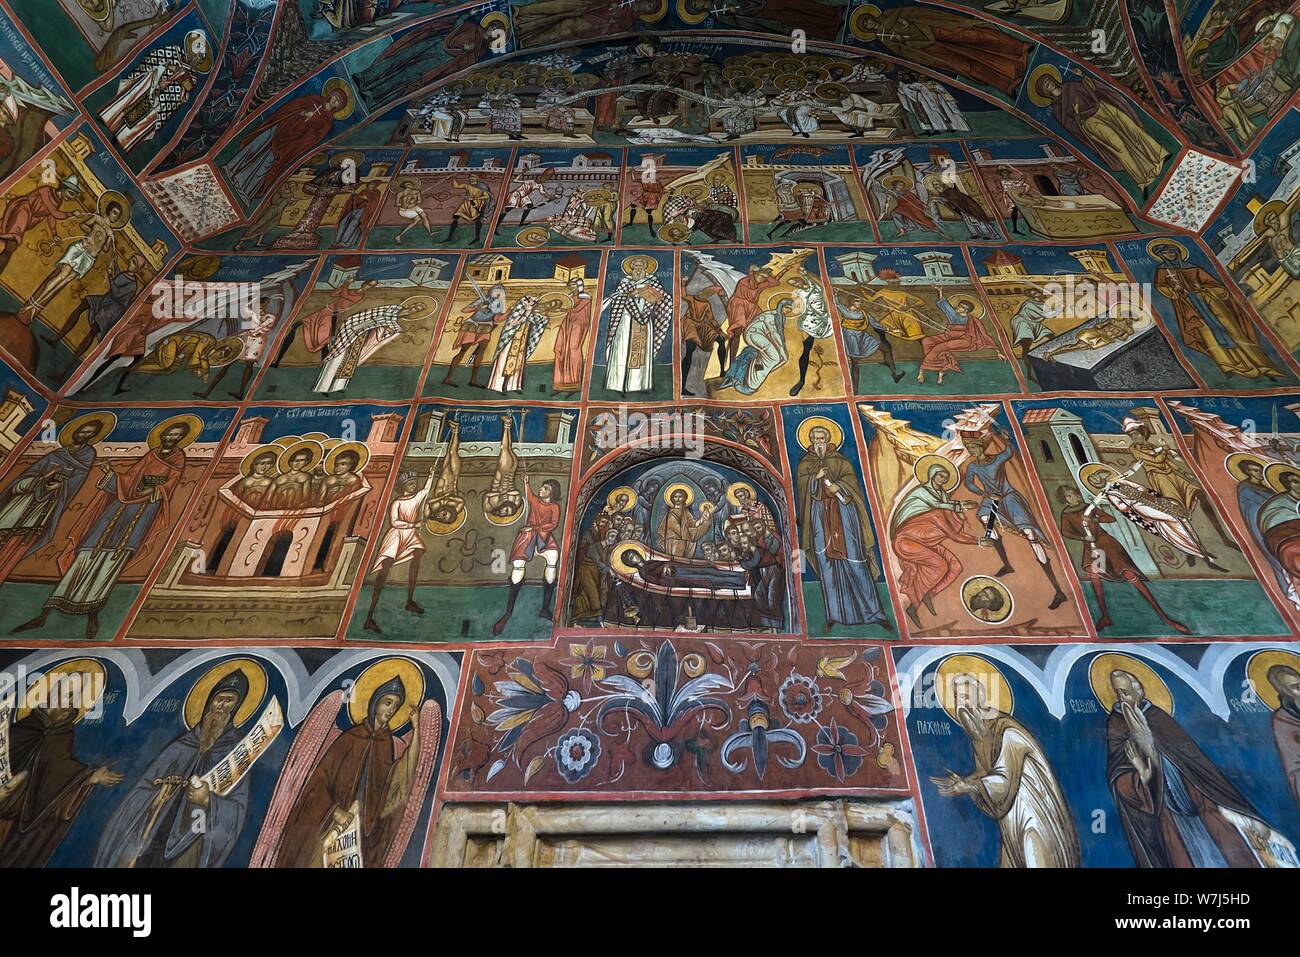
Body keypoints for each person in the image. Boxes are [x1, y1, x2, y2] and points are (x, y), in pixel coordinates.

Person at [14, 417, 193, 639]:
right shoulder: (151, 454)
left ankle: (93, 615)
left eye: (176, 435)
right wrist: (112, 475)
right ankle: (44, 613)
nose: (170, 437)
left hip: (143, 512)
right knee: (86, 554)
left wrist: (155, 491)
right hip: (119, 505)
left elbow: (171, 484)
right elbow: (130, 476)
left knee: (112, 564)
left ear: (181, 438)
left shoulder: (178, 458)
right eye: (169, 433)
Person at [1105, 667, 1291, 867]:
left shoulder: (1157, 717)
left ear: (1138, 692)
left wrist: (1151, 749)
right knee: (1181, 855)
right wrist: (1142, 772)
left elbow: (1193, 761)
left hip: (1194, 796)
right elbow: (1119, 771)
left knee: (1225, 844)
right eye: (1117, 693)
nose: (1122, 698)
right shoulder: (1116, 724)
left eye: (1125, 692)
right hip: (1164, 810)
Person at [94, 666, 253, 868]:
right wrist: (155, 797)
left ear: (236, 707)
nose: (221, 706)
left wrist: (207, 800)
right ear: (208, 703)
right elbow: (143, 788)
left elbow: (238, 807)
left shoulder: (237, 752)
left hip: (192, 836)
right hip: (155, 829)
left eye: (229, 700)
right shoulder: (181, 745)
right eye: (219, 699)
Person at [931, 671, 1080, 867]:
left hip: (1033, 814)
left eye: (966, 697)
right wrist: (964, 782)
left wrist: (970, 787)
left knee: (1034, 858)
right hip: (1011, 817)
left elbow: (1004, 778)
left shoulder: (1007, 731)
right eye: (958, 698)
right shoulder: (981, 735)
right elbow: (985, 773)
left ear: (980, 699)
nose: (962, 705)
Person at [274, 676, 421, 868]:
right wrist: (335, 812)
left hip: (361, 835)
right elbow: (318, 781)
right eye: (387, 703)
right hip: (333, 825)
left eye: (396, 705)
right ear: (375, 703)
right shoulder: (350, 738)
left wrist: (417, 729)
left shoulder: (386, 745)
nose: (391, 709)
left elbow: (402, 775)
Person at [1056, 485, 1189, 634]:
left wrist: (1095, 517)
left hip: (1106, 543)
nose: (1073, 497)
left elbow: (1110, 518)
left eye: (1073, 494)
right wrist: (1082, 537)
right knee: (1094, 576)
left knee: (1128, 574)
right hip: (1092, 548)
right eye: (1068, 496)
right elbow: (1065, 531)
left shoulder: (1088, 508)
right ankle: (1105, 616)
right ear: (1065, 500)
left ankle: (1165, 618)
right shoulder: (1066, 514)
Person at [962, 427, 1068, 608]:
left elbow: (1008, 452)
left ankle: (1058, 590)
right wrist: (983, 493)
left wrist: (1006, 439)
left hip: (1009, 497)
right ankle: (1006, 563)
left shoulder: (996, 459)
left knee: (1030, 535)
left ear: (981, 446)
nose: (973, 451)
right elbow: (969, 483)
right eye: (970, 449)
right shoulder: (973, 466)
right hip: (993, 499)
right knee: (986, 520)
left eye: (975, 447)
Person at [795, 423, 888, 629]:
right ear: (811, 441)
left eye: (822, 438)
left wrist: (840, 487)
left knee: (856, 560)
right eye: (815, 438)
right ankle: (834, 615)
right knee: (827, 566)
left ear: (828, 439)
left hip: (844, 517)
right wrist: (814, 479)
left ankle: (875, 613)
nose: (819, 442)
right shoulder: (805, 464)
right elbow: (803, 492)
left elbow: (852, 485)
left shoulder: (840, 460)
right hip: (819, 518)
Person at [0, 414, 108, 586]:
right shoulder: (57, 453)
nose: (83, 434)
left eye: (88, 432)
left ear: (92, 436)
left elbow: (75, 482)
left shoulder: (87, 456)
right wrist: (39, 481)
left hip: (46, 505)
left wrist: (58, 485)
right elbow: (30, 473)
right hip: (23, 500)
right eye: (81, 430)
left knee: (21, 540)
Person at [890, 461, 978, 628]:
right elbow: (953, 533)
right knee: (940, 565)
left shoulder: (942, 497)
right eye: (940, 475)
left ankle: (928, 593)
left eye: (946, 477)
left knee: (955, 566)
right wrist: (977, 539)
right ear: (931, 476)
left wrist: (959, 509)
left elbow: (953, 526)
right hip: (906, 540)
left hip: (923, 540)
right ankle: (913, 607)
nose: (943, 479)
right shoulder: (927, 497)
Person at [492, 473, 562, 634]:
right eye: (542, 487)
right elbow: (529, 494)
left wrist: (535, 528)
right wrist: (526, 482)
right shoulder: (535, 501)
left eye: (545, 488)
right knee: (518, 566)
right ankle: (508, 611)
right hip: (528, 537)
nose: (541, 489)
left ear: (552, 492)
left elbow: (552, 525)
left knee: (553, 559)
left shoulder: (554, 507)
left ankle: (545, 608)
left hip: (544, 537)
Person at [602, 256, 670, 393]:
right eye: (636, 266)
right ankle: (617, 383)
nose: (638, 269)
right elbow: (618, 297)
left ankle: (638, 385)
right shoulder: (624, 281)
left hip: (644, 321)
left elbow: (665, 297)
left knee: (641, 352)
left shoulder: (652, 281)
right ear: (631, 268)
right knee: (622, 348)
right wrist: (629, 294)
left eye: (641, 266)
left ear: (645, 268)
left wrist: (643, 292)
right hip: (625, 321)